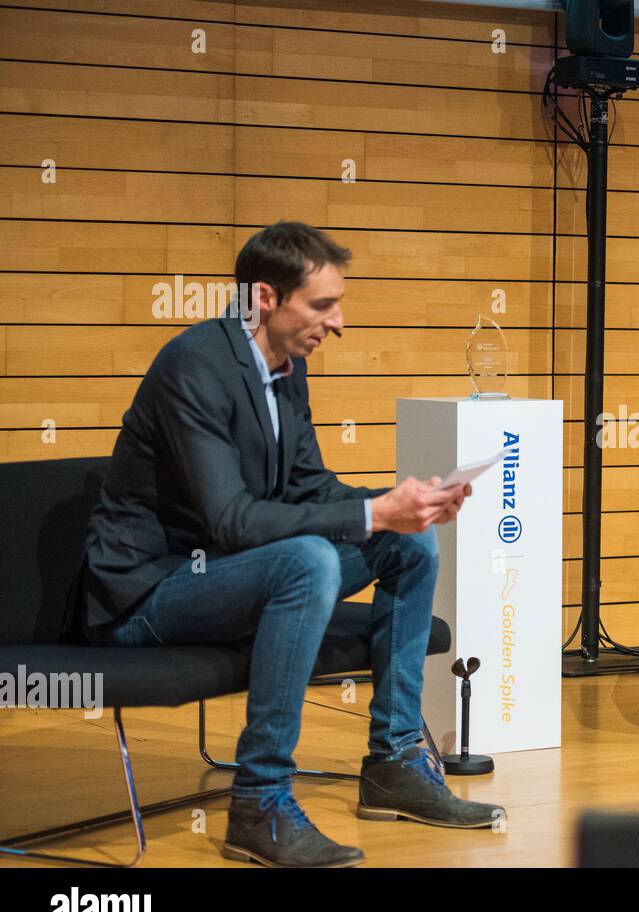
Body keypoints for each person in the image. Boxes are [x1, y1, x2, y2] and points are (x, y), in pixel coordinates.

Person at [77, 221, 503, 867]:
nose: (338, 322)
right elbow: (231, 520)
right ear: (267, 299)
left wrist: (401, 504)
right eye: (323, 304)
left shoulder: (285, 366)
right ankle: (260, 802)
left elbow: (308, 485)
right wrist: (371, 511)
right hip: (150, 592)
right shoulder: (194, 365)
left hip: (228, 575)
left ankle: (393, 762)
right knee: (307, 562)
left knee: (408, 546)